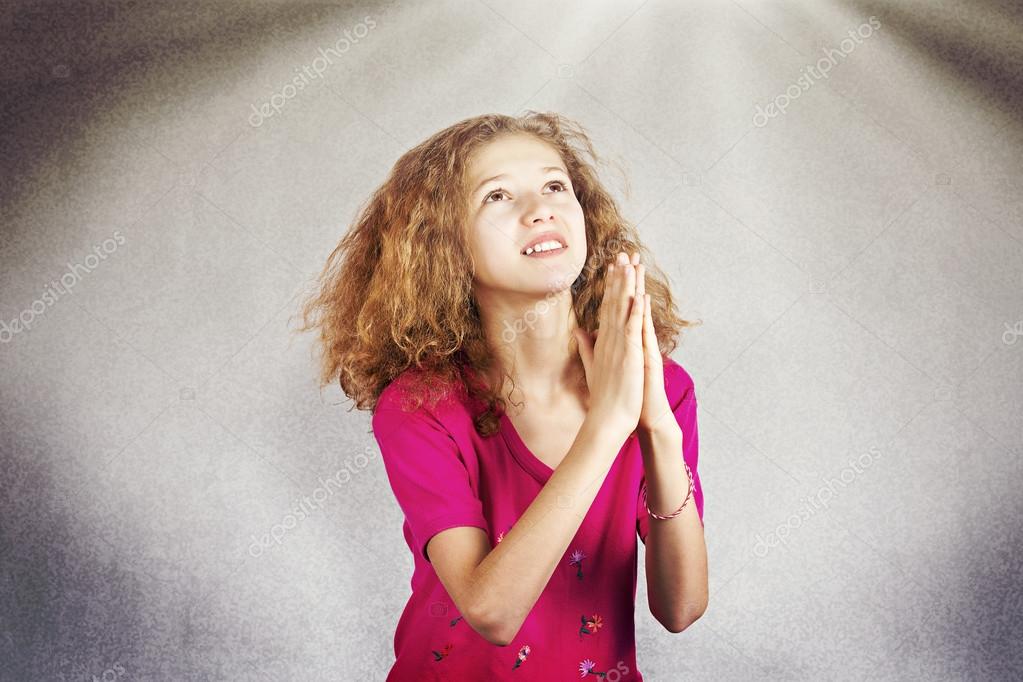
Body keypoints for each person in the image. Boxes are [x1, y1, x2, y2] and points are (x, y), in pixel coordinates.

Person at [296, 111, 707, 680]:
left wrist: (657, 428)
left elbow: (681, 608)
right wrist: (607, 426)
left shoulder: (666, 387)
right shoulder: (420, 407)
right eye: (496, 197)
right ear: (444, 247)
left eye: (555, 186)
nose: (539, 209)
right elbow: (491, 612)